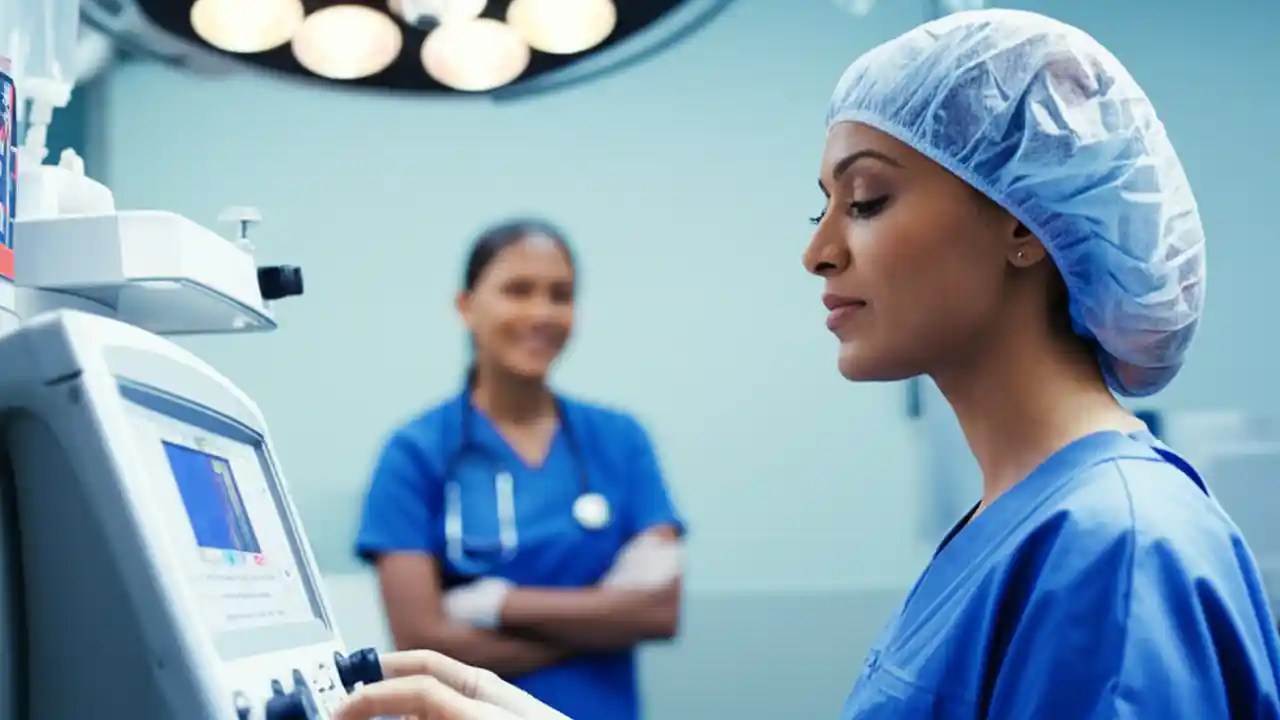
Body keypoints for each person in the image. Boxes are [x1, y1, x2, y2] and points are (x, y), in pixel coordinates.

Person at [335, 9, 1280, 719]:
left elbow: (652, 610)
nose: (817, 251)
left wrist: (495, 605)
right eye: (819, 208)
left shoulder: (1116, 552)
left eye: (865, 201)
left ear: (1027, 223)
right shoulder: (1017, 526)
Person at [351, 218, 687, 720]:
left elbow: (658, 611)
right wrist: (601, 626)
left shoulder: (620, 440)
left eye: (560, 294)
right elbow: (421, 640)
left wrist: (491, 605)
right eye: (517, 290)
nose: (541, 312)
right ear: (466, 306)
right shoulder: (415, 452)